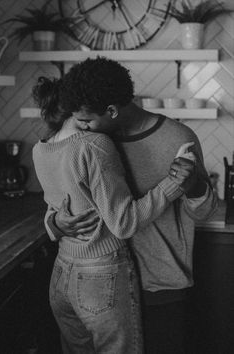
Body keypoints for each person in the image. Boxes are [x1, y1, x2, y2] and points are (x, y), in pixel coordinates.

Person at [45, 57, 217, 354]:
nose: (79, 127)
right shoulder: (90, 141)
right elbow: (61, 194)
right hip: (101, 283)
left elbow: (204, 210)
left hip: (160, 285)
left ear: (111, 110)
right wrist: (54, 223)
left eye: (85, 120)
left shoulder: (177, 138)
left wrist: (194, 186)